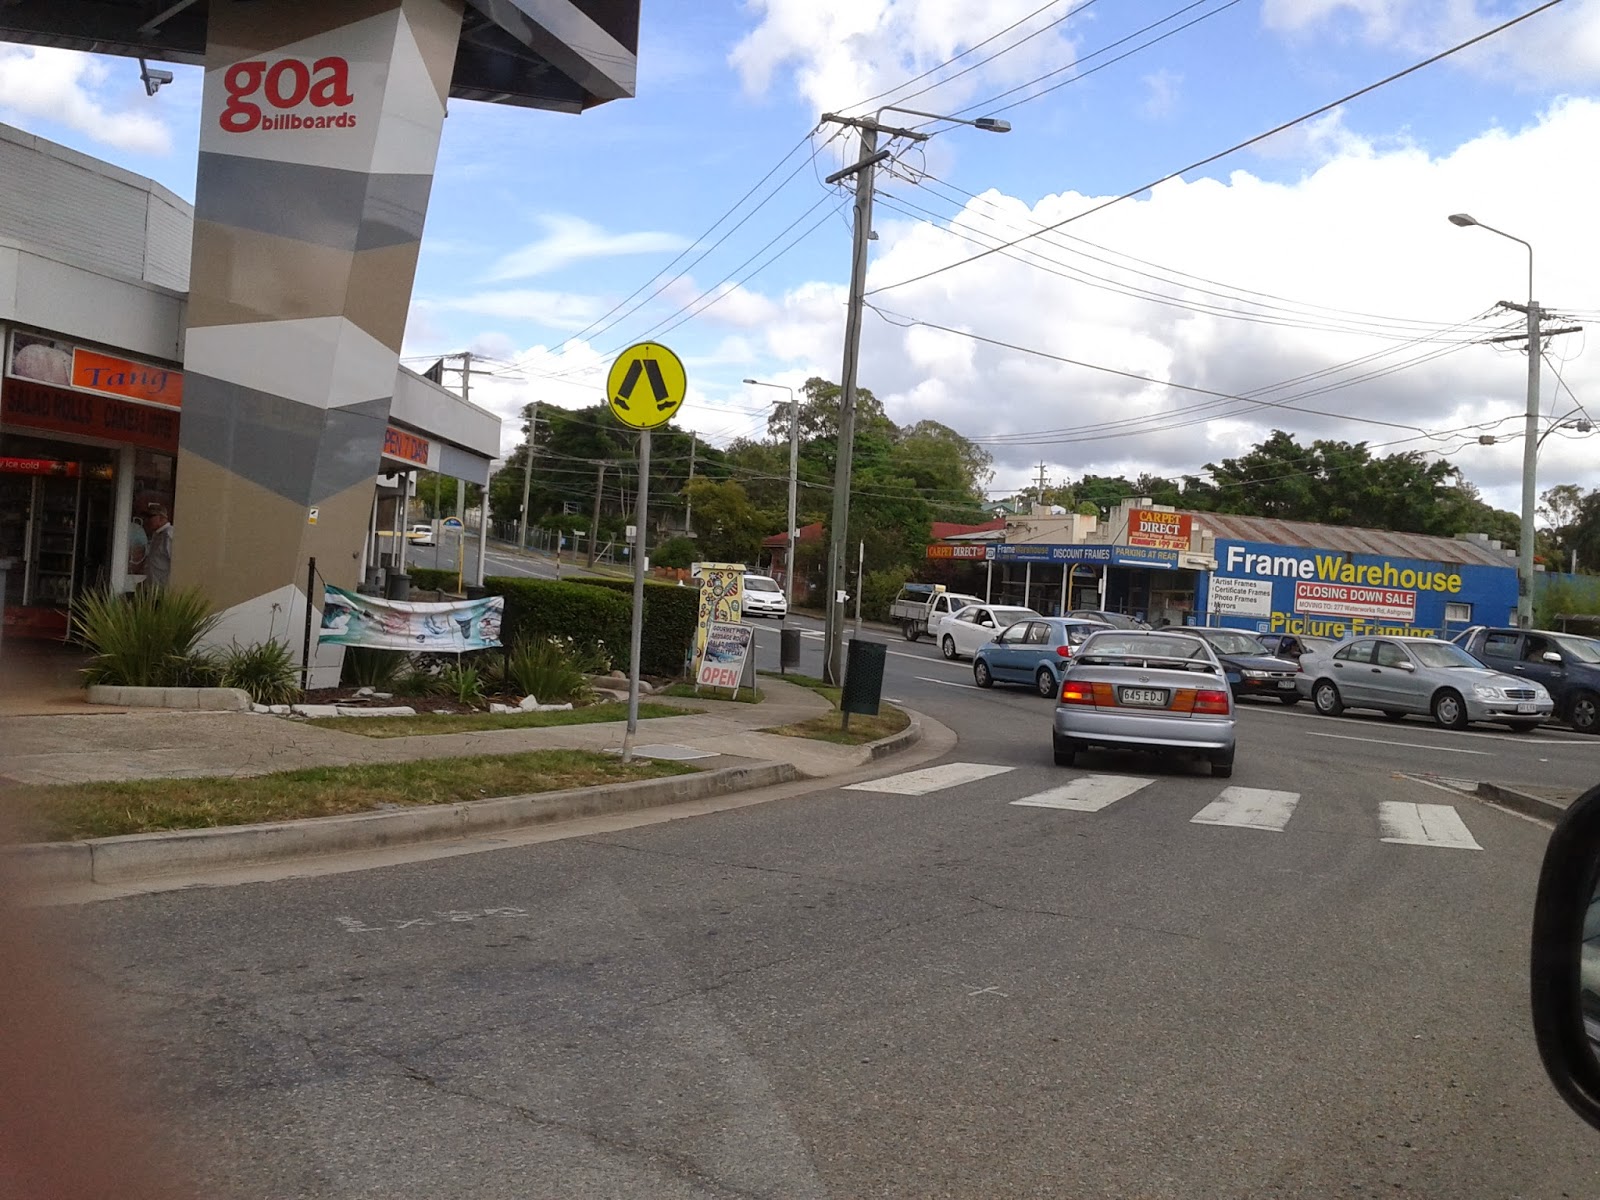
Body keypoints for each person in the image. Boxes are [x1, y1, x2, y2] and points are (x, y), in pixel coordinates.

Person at [142, 504, 172, 588]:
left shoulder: (168, 535)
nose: (147, 520)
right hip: (152, 588)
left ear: (162, 518)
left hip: (163, 588)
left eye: (150, 516)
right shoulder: (156, 535)